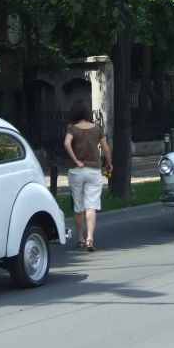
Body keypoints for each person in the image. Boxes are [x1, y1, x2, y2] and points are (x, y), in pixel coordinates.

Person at [63, 100, 112, 252]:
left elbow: (66, 144)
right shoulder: (97, 128)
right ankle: (90, 239)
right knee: (91, 206)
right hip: (93, 171)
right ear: (87, 113)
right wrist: (108, 164)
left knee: (78, 207)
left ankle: (79, 239)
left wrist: (76, 160)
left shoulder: (72, 128)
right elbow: (106, 149)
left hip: (76, 171)